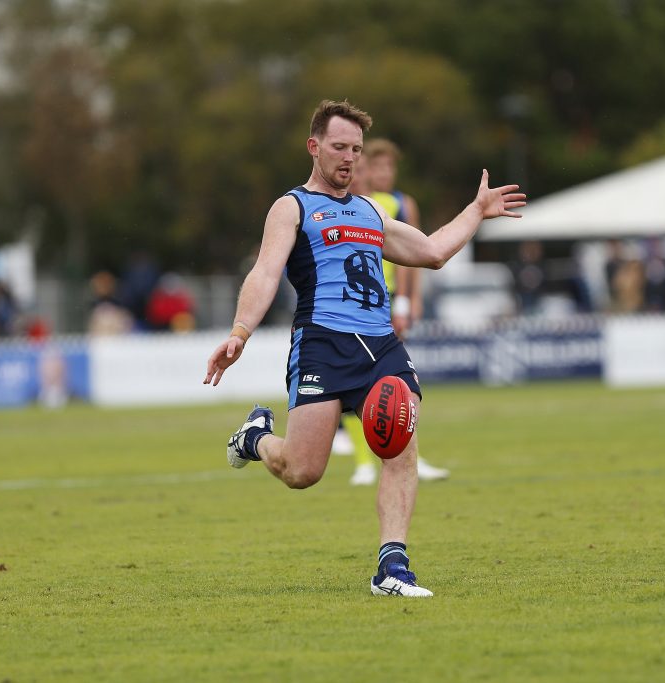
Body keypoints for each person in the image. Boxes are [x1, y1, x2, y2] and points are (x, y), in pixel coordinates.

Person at [203, 99, 526, 598]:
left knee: (400, 442)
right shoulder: (292, 207)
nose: (350, 158)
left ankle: (392, 567)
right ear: (314, 147)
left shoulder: (370, 210)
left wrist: (477, 210)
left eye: (356, 149)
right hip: (322, 344)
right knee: (302, 471)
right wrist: (240, 331)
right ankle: (255, 439)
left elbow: (432, 252)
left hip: (381, 344)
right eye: (339, 147)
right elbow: (265, 273)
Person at [345, 139, 448, 486]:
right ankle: (363, 462)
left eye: (389, 167)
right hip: (358, 303)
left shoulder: (395, 204)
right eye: (375, 167)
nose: (381, 173)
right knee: (355, 379)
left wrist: (407, 300)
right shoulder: (346, 205)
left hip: (388, 300)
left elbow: (410, 256)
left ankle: (407, 455)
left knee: (397, 381)